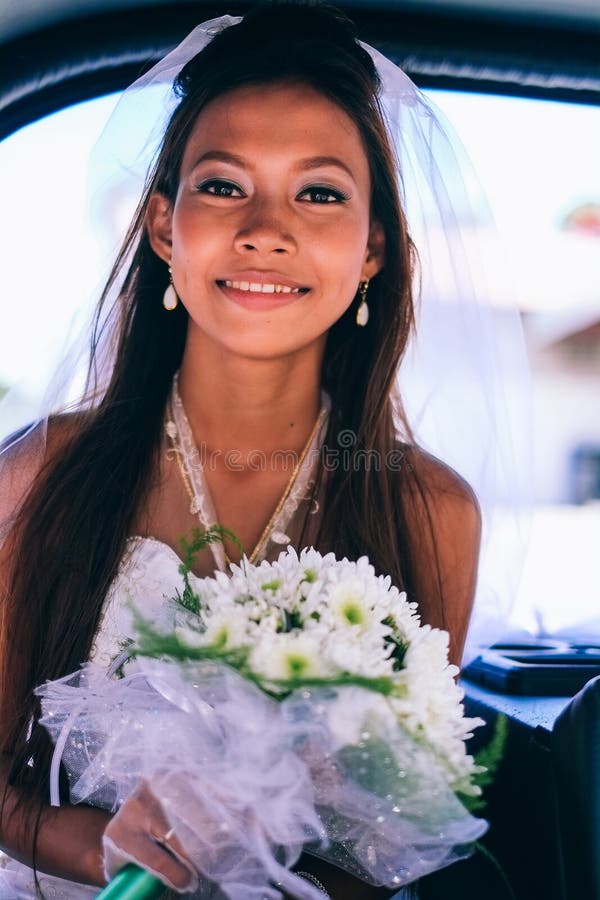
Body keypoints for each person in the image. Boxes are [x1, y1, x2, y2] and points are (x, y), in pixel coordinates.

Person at [0, 3, 509, 897]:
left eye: (319, 193)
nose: (266, 228)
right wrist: (100, 849)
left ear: (373, 248)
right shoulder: (41, 475)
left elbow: (400, 825)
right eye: (225, 185)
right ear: (165, 228)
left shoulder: (429, 512)